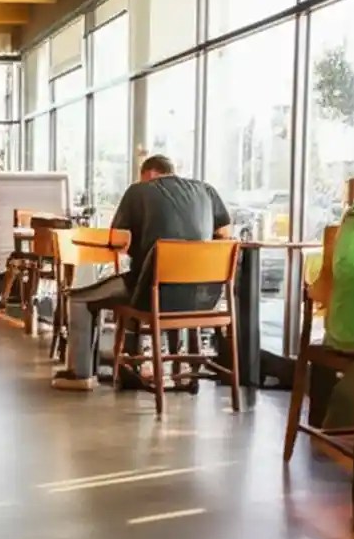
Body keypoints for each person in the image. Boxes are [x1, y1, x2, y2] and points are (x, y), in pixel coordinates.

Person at [52, 155, 233, 391]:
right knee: (170, 287)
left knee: (78, 298)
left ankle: (79, 375)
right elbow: (225, 234)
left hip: (149, 293)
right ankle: (180, 371)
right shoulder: (207, 190)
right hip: (203, 298)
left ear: (150, 175)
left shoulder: (139, 191)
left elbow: (118, 240)